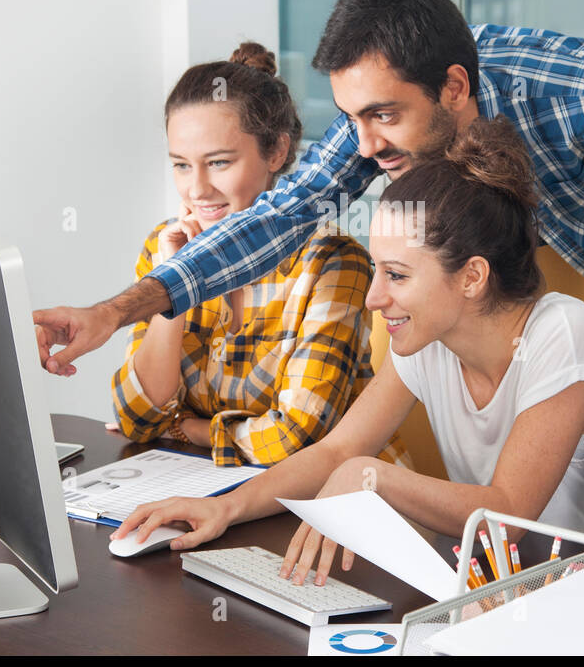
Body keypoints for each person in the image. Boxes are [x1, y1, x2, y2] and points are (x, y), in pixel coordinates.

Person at [33, 0, 584, 375]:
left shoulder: (576, 92)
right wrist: (114, 313)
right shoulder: (376, 121)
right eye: (351, 117)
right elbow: (284, 216)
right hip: (543, 282)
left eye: (381, 116)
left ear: (454, 87)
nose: (365, 146)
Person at [111, 119, 584, 580]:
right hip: (494, 590)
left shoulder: (564, 333)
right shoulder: (430, 339)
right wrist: (227, 508)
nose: (375, 297)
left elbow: (507, 514)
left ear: (472, 276)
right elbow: (339, 450)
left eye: (397, 275)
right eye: (378, 268)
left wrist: (376, 477)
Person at [111, 42, 405, 467]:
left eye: (218, 163)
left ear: (277, 152)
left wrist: (185, 428)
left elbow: (293, 438)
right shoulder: (165, 247)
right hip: (216, 489)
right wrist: (172, 278)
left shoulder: (333, 262)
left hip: (333, 501)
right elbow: (136, 417)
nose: (196, 189)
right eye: (181, 165)